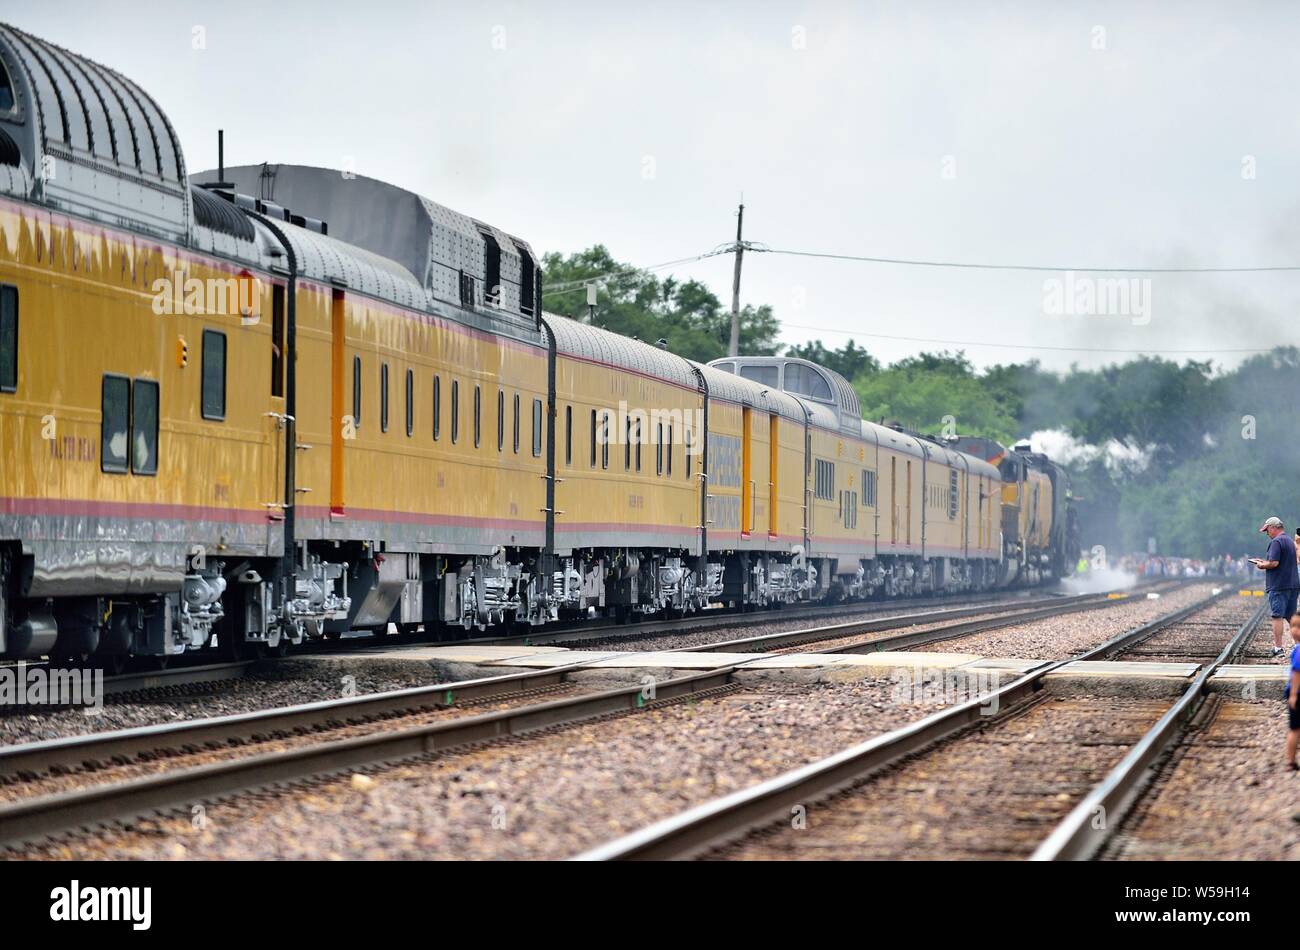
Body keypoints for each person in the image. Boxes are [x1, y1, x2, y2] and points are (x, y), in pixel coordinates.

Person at [1249, 516, 1300, 657]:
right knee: (1291, 616)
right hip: (1293, 584)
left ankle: (1278, 648)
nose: (1267, 533)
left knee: (1277, 616)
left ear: (1273, 527)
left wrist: (1261, 564)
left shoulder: (1276, 542)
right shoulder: (1290, 541)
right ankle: (1298, 646)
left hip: (1279, 585)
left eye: (1267, 530)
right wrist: (1266, 562)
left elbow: (1274, 563)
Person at [1287, 614, 1300, 771]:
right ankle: (1290, 761)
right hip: (1297, 694)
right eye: (1292, 626)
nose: (1295, 630)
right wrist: (1294, 695)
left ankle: (1291, 761)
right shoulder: (1298, 651)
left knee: (1296, 728)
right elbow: (1296, 674)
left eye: (1299, 627)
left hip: (1296, 693)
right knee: (1295, 729)